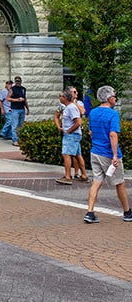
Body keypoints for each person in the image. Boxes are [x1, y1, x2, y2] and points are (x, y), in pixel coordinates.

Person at [83, 86, 132, 224]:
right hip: (108, 154)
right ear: (110, 98)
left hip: (95, 152)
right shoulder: (113, 114)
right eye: (115, 96)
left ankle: (90, 212)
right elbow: (113, 134)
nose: (116, 98)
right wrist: (115, 155)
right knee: (119, 182)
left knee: (96, 181)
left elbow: (91, 132)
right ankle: (127, 212)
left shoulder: (93, 113)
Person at [54, 88, 88, 185]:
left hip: (71, 135)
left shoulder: (71, 107)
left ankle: (67, 176)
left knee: (66, 154)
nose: (60, 98)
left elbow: (78, 122)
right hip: (74, 135)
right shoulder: (68, 107)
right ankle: (84, 175)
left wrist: (69, 131)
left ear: (65, 98)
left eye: (61, 96)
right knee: (78, 155)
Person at [7, 76, 29, 147]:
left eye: (19, 81)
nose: (18, 82)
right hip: (15, 109)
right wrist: (17, 100)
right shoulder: (12, 89)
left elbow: (25, 99)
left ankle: (20, 139)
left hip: (22, 109)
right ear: (15, 82)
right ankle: (15, 140)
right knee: (14, 125)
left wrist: (27, 108)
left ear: (21, 81)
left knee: (20, 126)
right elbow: (8, 98)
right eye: (16, 81)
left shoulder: (23, 89)